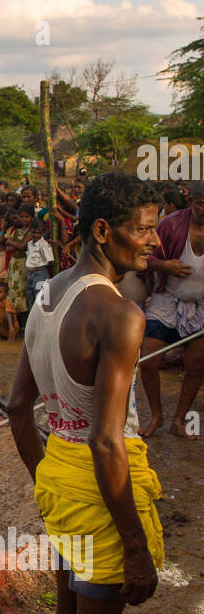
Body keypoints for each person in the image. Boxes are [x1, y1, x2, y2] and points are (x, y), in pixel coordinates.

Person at [8, 172, 163, 614]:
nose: (154, 241)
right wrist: (134, 545)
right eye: (144, 227)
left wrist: (48, 478)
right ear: (103, 230)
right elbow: (107, 444)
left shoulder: (45, 297)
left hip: (60, 479)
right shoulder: (119, 314)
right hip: (98, 488)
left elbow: (20, 408)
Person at [139, 182, 204, 437]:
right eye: (201, 204)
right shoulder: (170, 224)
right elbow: (144, 256)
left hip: (200, 305)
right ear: (191, 201)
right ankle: (157, 415)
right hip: (167, 298)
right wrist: (165, 265)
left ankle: (179, 420)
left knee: (196, 366)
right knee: (148, 360)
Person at [25, 222, 55, 312]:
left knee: (41, 298)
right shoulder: (29, 244)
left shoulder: (44, 245)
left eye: (39, 233)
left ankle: (42, 318)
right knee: (30, 296)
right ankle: (33, 318)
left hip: (40, 273)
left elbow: (50, 260)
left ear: (42, 233)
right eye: (34, 232)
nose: (36, 235)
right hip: (30, 273)